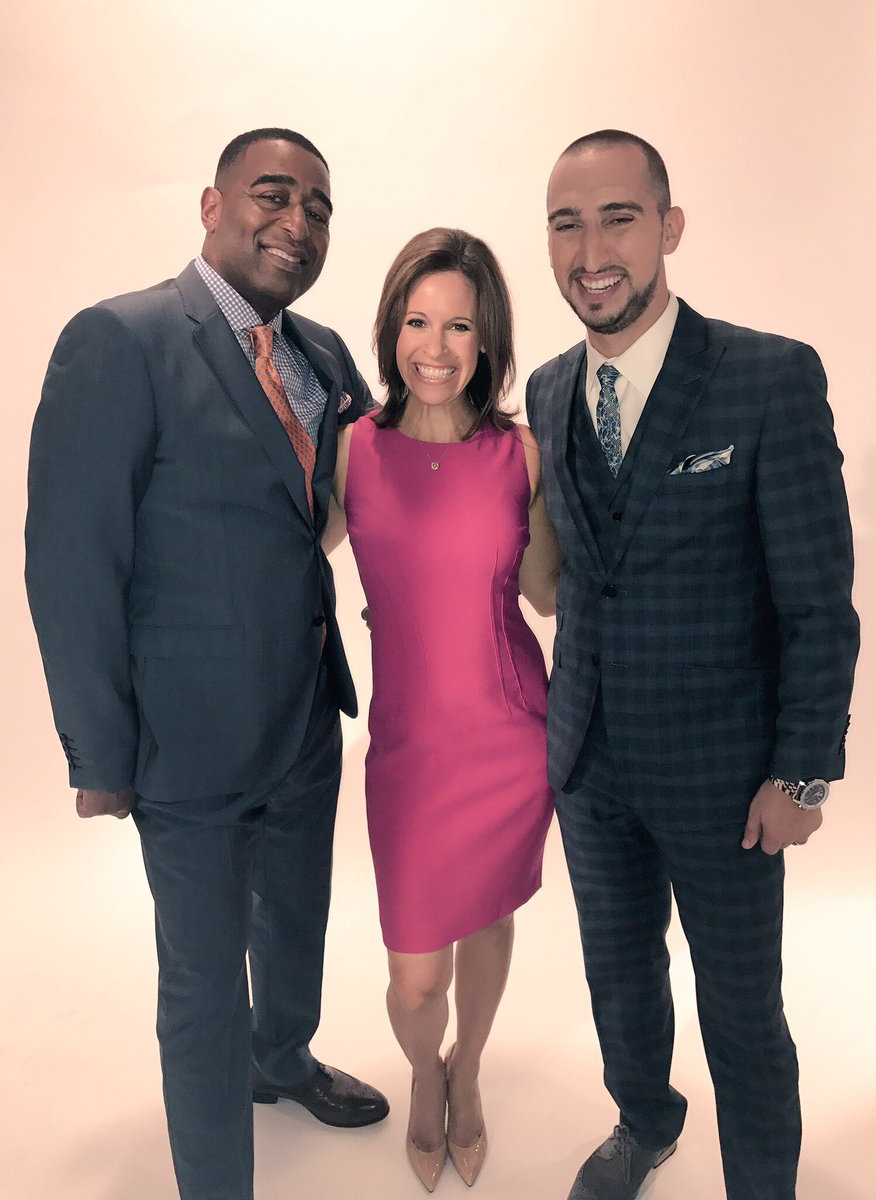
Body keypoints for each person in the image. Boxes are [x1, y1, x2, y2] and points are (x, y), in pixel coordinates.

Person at [25, 127, 389, 1200]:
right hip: (184, 741)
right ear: (211, 204)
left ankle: (282, 1060)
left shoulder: (321, 351)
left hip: (306, 716)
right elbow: (70, 561)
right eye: (273, 195)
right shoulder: (121, 339)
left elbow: (362, 475)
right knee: (201, 985)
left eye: (318, 207)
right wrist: (101, 754)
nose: (297, 222)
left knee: (298, 922)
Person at [526, 130, 859, 1200]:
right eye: (567, 225)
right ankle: (646, 1120)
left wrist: (801, 774)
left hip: (728, 774)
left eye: (618, 219)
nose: (591, 252)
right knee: (619, 978)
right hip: (588, 760)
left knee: (742, 1007)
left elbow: (819, 605)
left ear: (668, 228)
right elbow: (566, 570)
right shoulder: (546, 389)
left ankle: (762, 1183)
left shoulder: (768, 377)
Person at [323, 227, 560, 1191]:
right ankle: (427, 1068)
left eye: (459, 326)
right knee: (416, 976)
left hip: (510, 737)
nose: (436, 346)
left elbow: (550, 594)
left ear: (487, 337)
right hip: (411, 751)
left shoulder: (521, 454)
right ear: (390, 329)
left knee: (490, 920)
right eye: (418, 321)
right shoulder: (354, 449)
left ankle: (470, 1068)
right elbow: (282, 557)